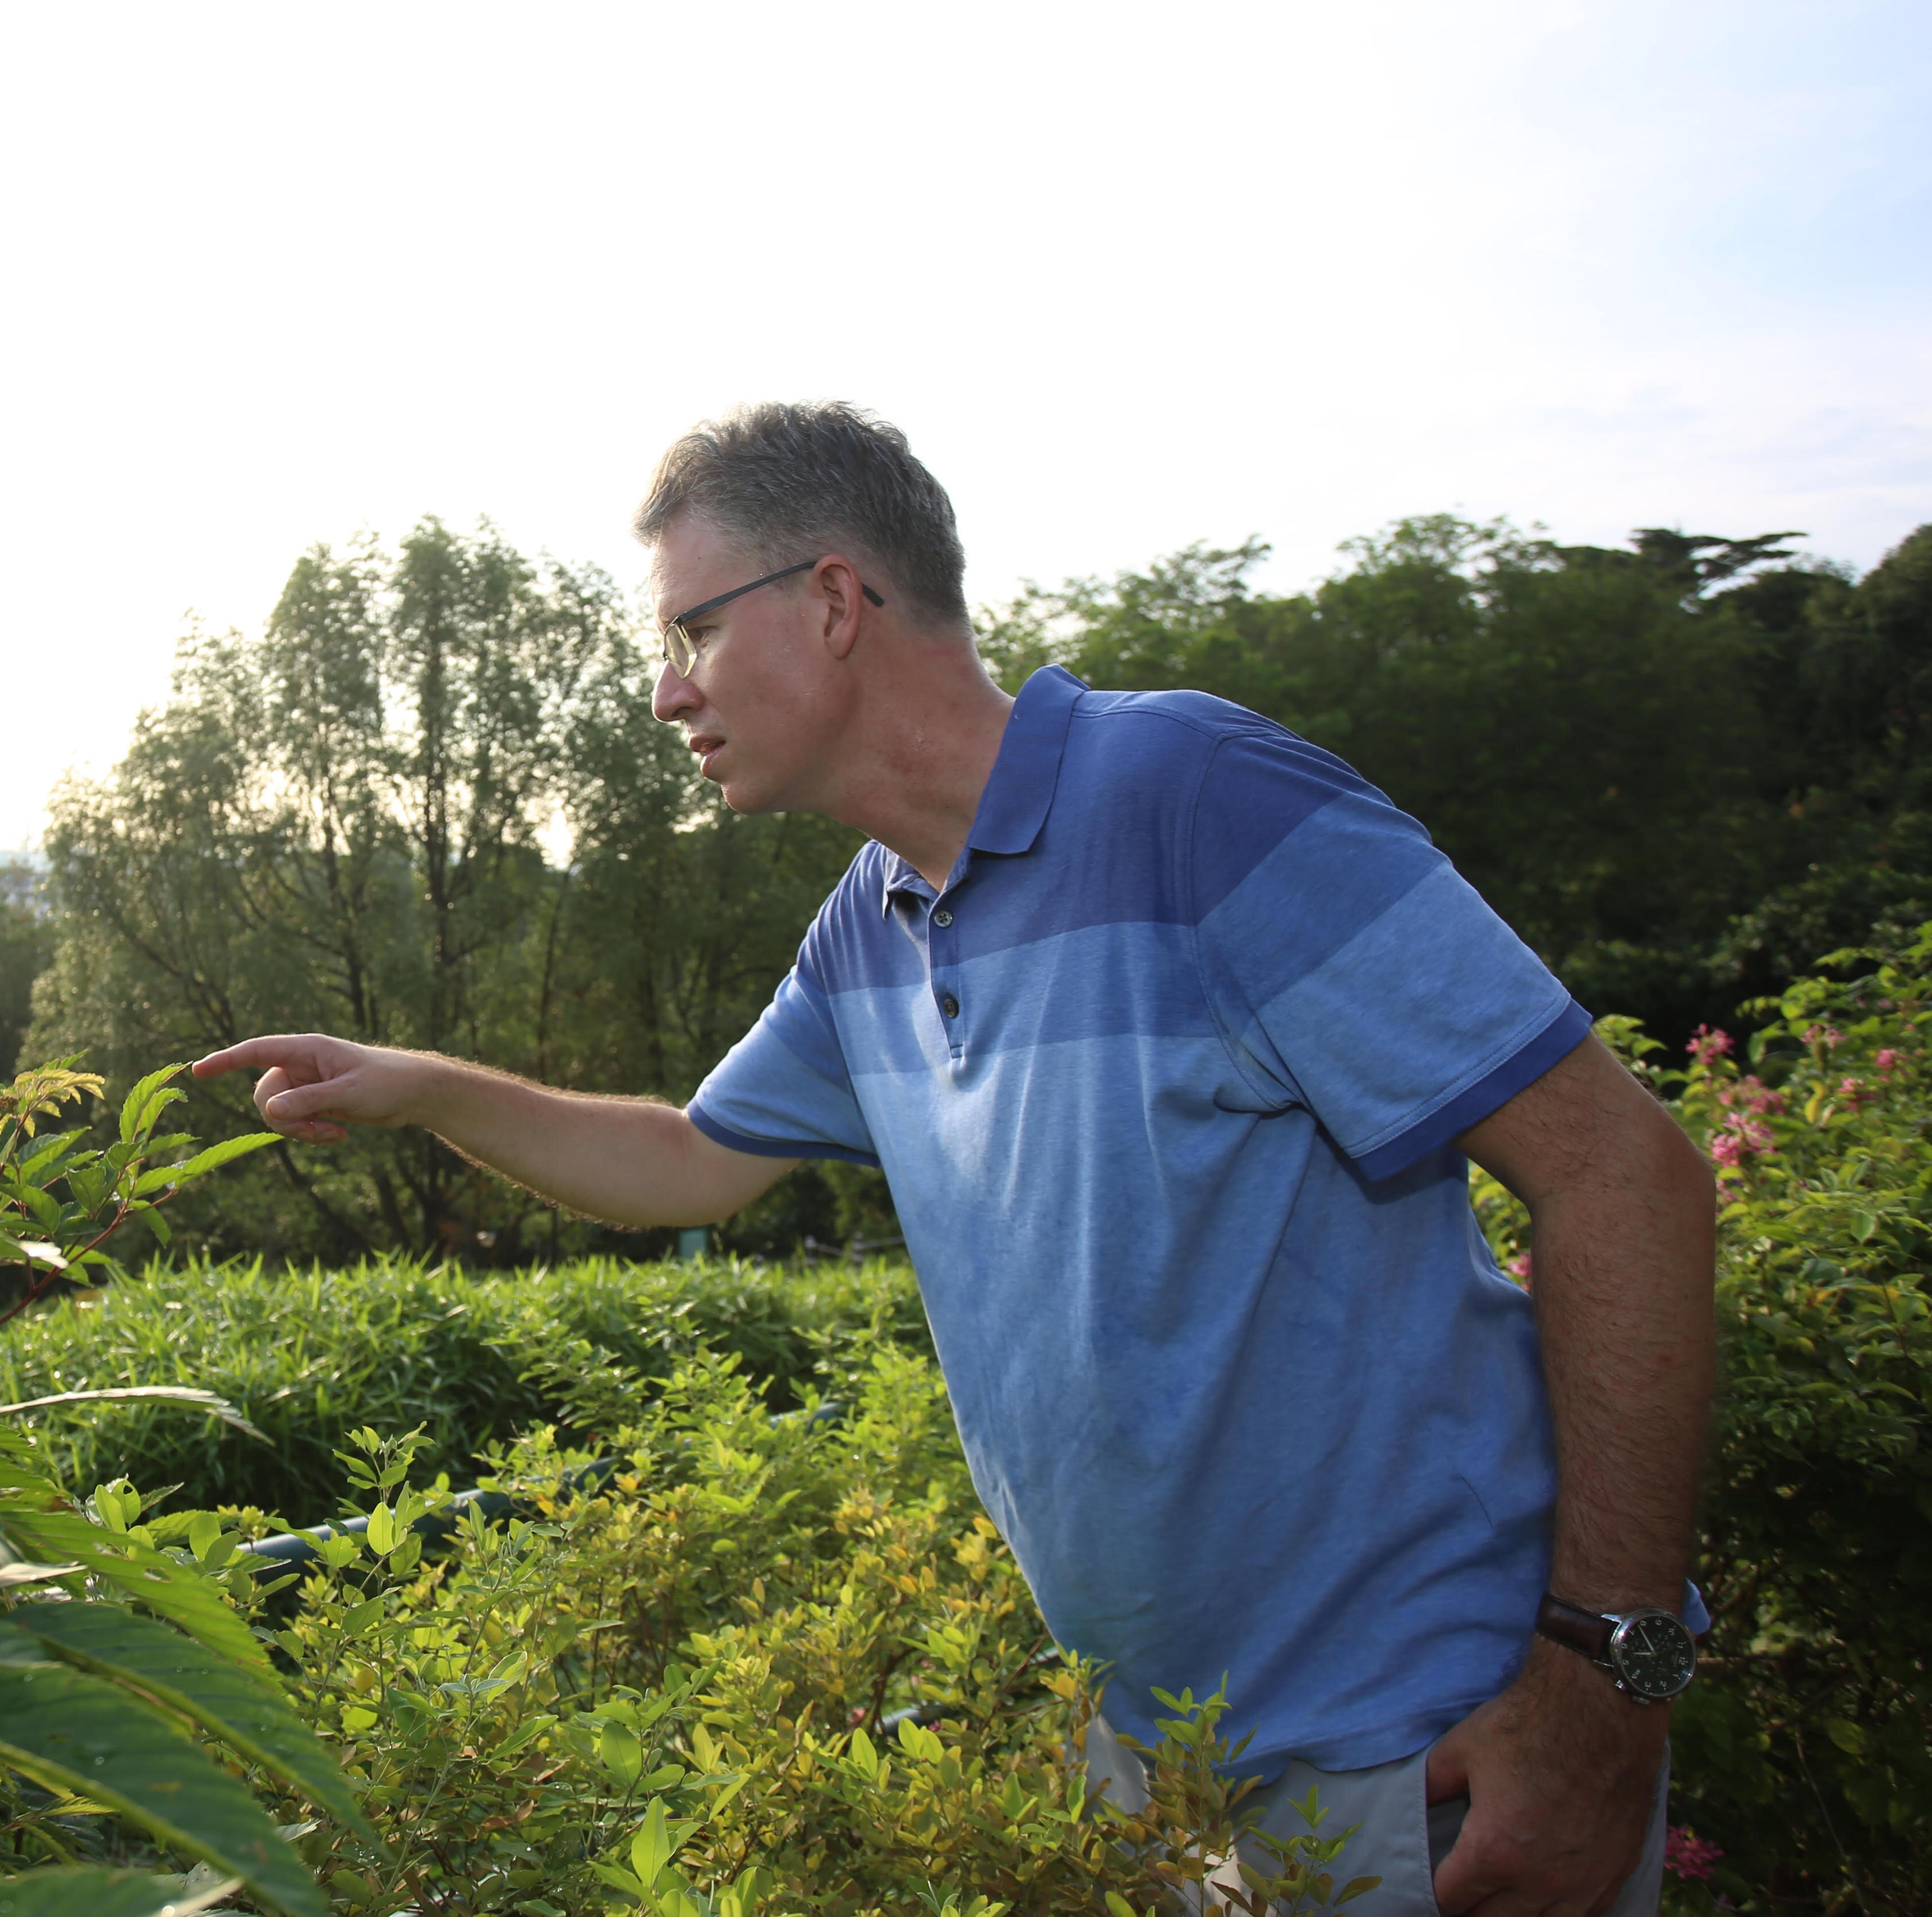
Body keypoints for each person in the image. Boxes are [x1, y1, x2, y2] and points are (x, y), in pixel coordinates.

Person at [195, 403, 1716, 1916]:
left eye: (693, 633)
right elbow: (688, 1161)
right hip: (1165, 1774)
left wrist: (1600, 1688)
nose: (667, 694)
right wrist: (424, 1091)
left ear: (836, 601)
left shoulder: (1198, 800)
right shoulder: (870, 923)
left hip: (1416, 1759)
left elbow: (1624, 1176)